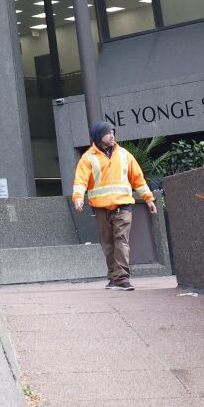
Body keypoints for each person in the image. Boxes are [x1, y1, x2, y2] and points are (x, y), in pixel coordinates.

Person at [71, 120, 156, 290]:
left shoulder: (124, 154)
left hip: (123, 206)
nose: (112, 135)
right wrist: (78, 198)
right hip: (101, 209)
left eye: (113, 132)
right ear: (98, 135)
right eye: (108, 133)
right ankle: (113, 277)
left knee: (121, 241)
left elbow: (138, 179)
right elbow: (80, 180)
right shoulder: (88, 158)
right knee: (108, 244)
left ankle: (123, 278)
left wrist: (149, 199)